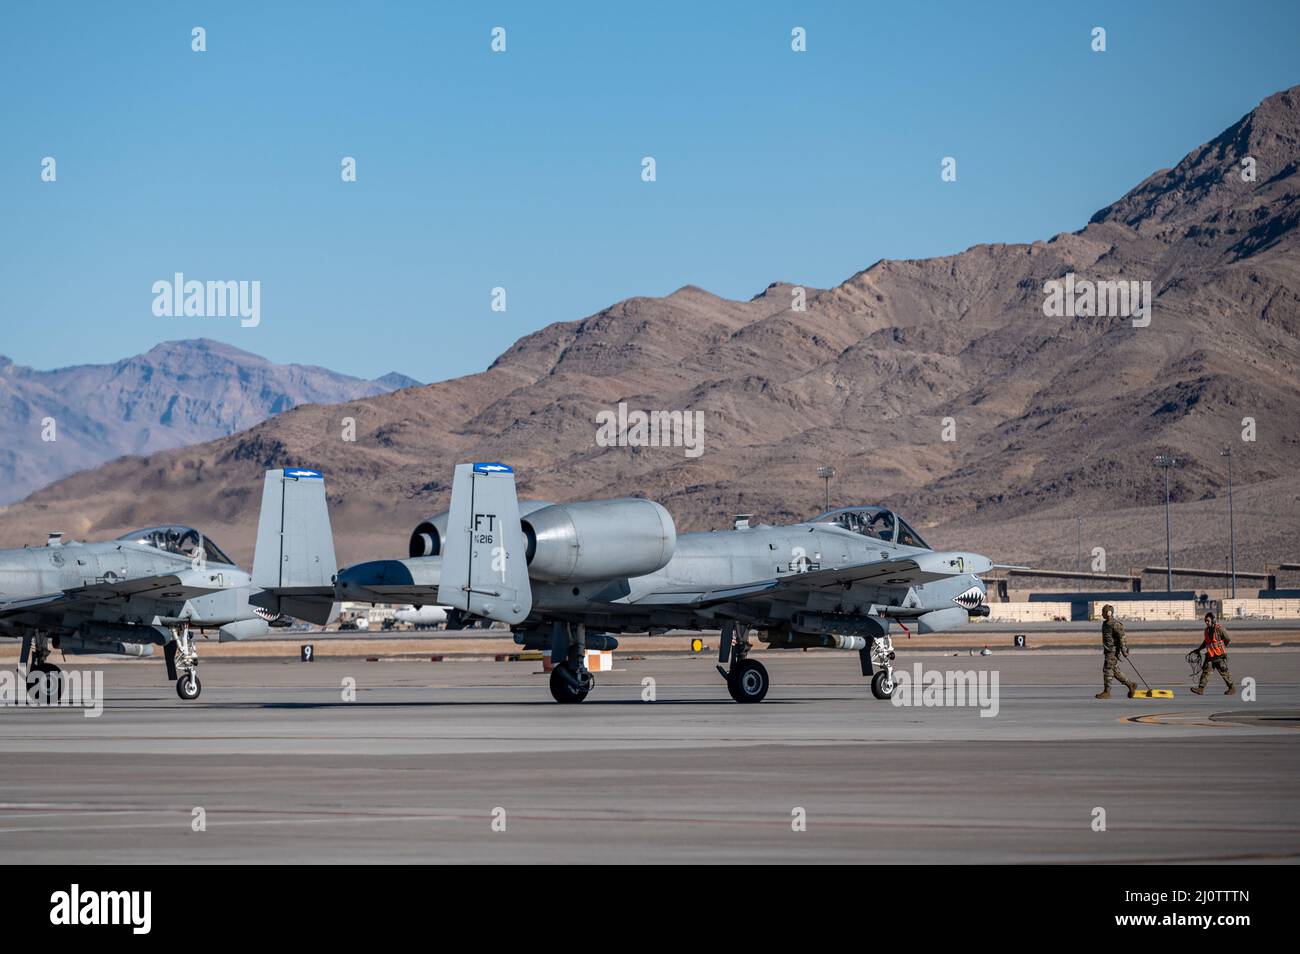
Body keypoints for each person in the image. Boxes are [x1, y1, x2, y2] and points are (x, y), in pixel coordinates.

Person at [1096, 603, 1136, 699]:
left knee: (1107, 670)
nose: (1102, 614)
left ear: (1108, 613)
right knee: (1115, 671)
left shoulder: (1116, 625)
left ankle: (1107, 692)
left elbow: (1122, 638)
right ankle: (1131, 685)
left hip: (1112, 651)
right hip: (1108, 650)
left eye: (1103, 613)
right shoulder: (1106, 624)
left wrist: (1123, 650)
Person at [1190, 611, 1235, 695]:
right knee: (1206, 672)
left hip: (1219, 655)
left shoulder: (1219, 629)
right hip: (1210, 655)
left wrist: (1222, 646)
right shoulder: (1206, 630)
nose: (1206, 622)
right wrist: (1199, 649)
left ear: (1213, 620)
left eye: (1208, 620)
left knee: (1224, 673)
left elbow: (1227, 639)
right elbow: (1206, 642)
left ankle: (1232, 688)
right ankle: (1200, 689)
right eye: (1205, 621)